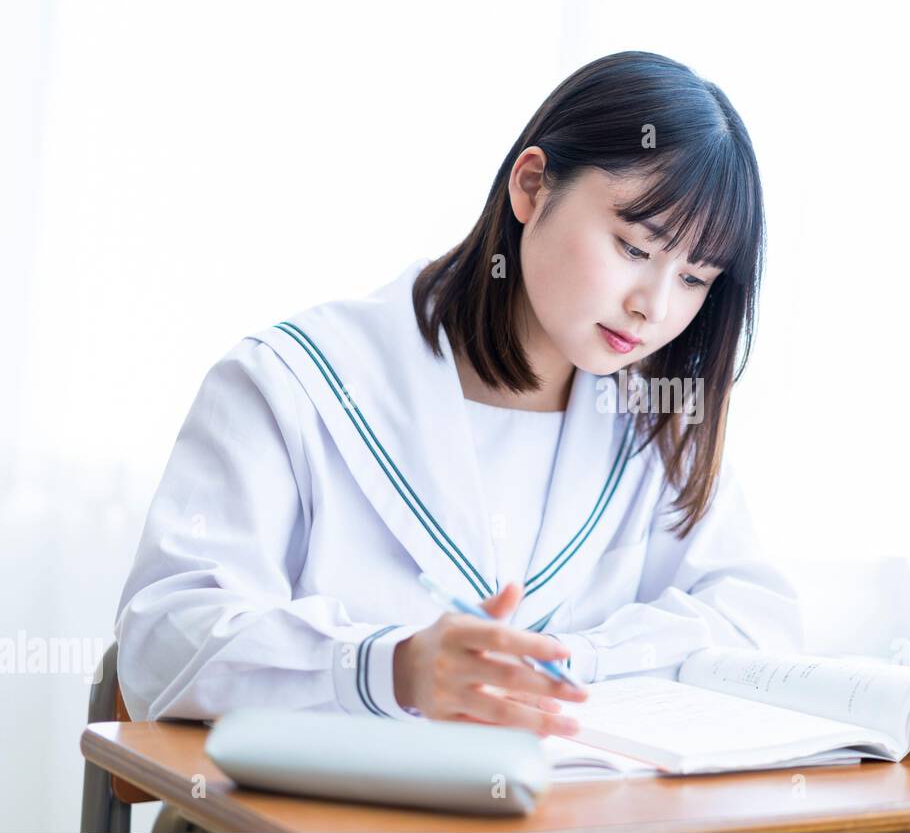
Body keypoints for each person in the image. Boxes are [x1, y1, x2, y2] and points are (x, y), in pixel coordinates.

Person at [115, 50, 802, 739]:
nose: (653, 306)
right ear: (532, 186)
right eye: (633, 247)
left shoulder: (658, 422)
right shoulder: (290, 382)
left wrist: (579, 662)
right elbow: (164, 644)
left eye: (696, 278)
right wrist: (393, 669)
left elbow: (756, 624)